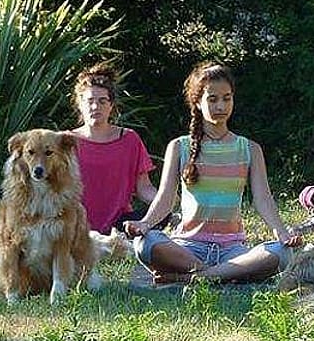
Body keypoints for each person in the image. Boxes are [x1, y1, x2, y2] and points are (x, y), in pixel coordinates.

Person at [123, 61, 302, 282]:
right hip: (187, 249)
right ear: (197, 102)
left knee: (282, 253)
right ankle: (220, 274)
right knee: (146, 243)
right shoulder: (179, 146)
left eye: (227, 98)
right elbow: (166, 198)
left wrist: (281, 231)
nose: (221, 106)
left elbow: (263, 198)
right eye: (212, 99)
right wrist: (145, 224)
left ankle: (196, 278)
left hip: (233, 252)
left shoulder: (250, 149)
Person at [67, 62, 160, 233]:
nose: (95, 107)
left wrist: (166, 203)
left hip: (119, 227)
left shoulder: (129, 139)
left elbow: (144, 188)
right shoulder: (64, 142)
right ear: (80, 104)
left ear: (111, 105)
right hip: (74, 227)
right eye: (90, 101)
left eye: (102, 101)